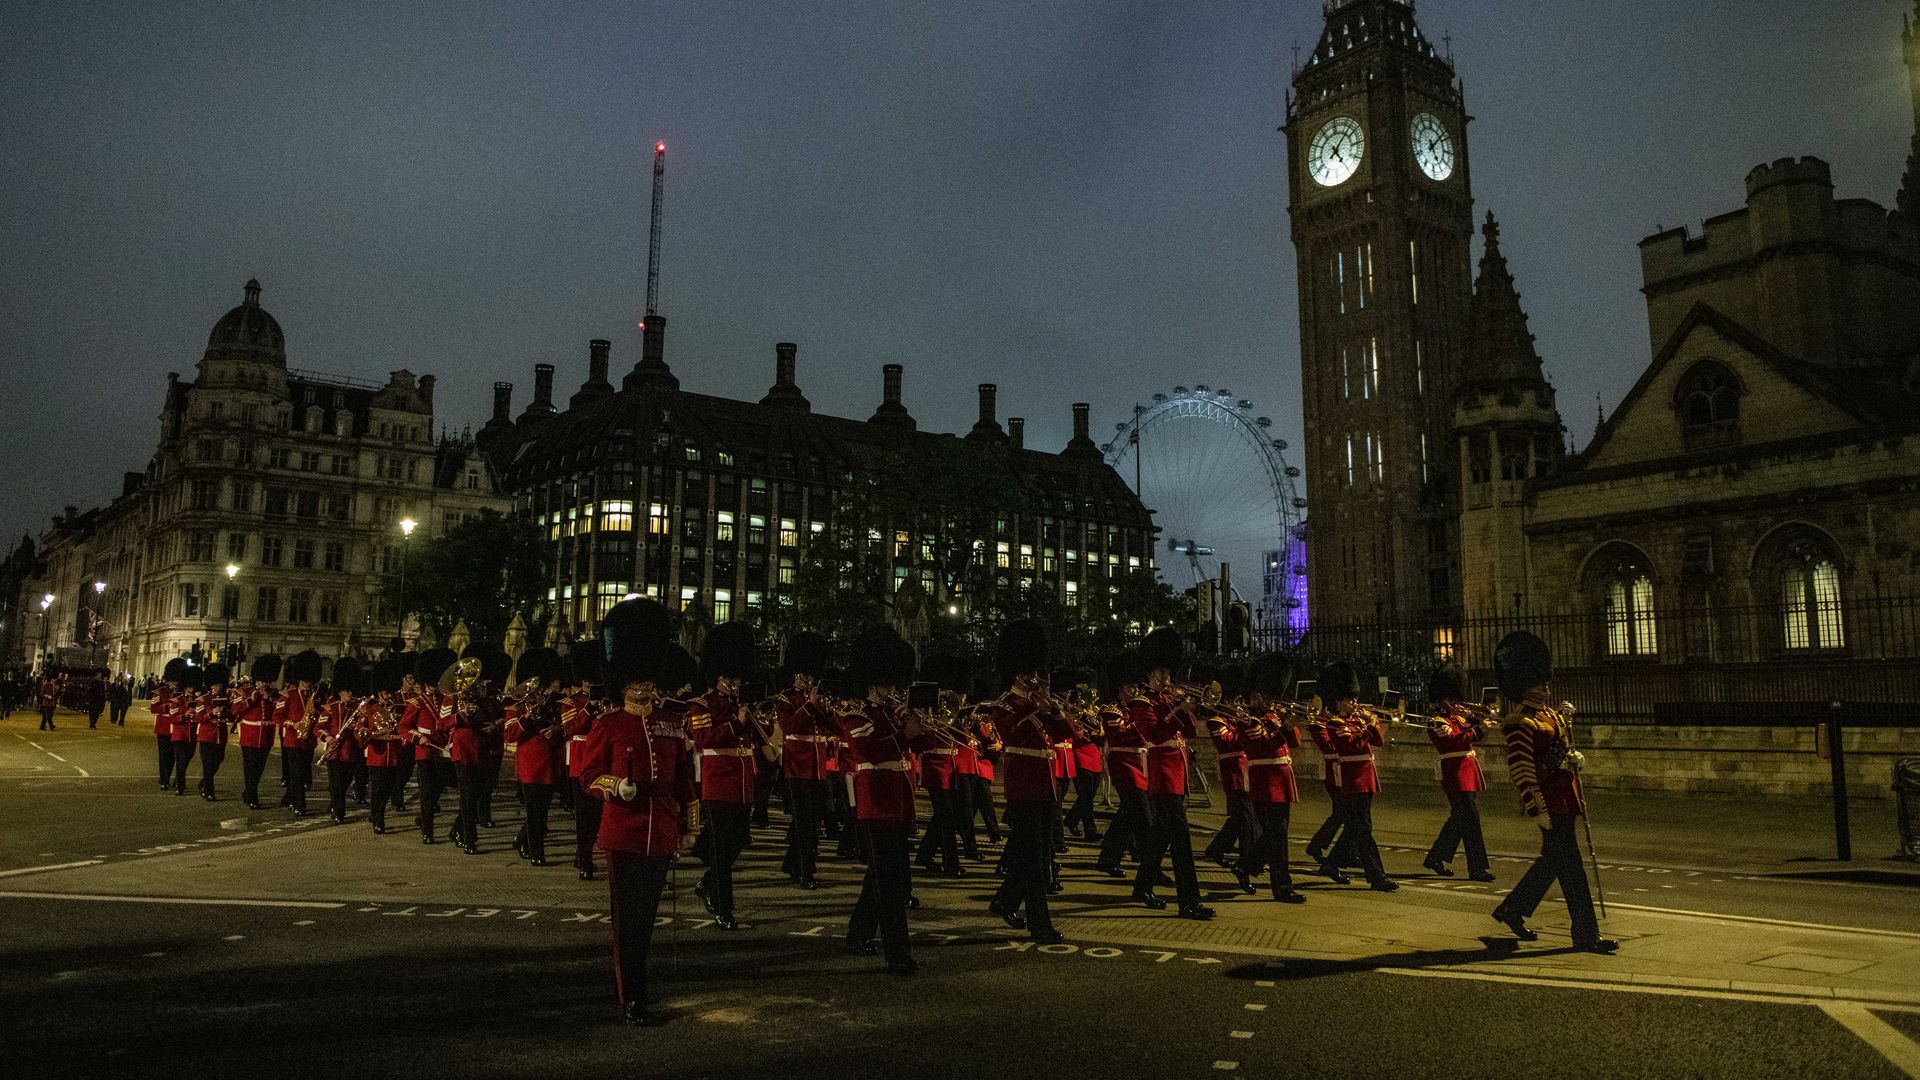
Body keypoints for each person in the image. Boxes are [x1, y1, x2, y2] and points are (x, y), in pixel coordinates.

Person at [580, 599, 694, 1026]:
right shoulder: (608, 725)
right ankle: (631, 996)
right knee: (626, 922)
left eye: (647, 678)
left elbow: (685, 782)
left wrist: (691, 827)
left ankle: (636, 984)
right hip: (624, 833)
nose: (643, 687)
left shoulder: (670, 723)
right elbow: (588, 775)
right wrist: (615, 786)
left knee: (645, 920)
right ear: (623, 682)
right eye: (636, 680)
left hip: (661, 834)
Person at [1490, 632, 1618, 954]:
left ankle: (1512, 909)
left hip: (1565, 799)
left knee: (1552, 863)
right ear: (1526, 683)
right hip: (1550, 803)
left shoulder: (1551, 715)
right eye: (1539, 681)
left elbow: (1562, 750)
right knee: (1572, 869)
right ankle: (1586, 935)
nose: (1546, 686)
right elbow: (1521, 768)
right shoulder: (1520, 722)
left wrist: (1574, 760)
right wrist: (1537, 807)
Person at [837, 624, 921, 975]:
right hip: (875, 804)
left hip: (898, 802)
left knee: (882, 876)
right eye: (887, 684)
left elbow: (920, 746)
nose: (893, 690)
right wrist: (903, 731)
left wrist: (916, 726)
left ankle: (858, 933)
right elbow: (867, 747)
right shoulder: (856, 716)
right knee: (890, 884)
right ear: (872, 683)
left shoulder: (890, 715)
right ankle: (897, 953)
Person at [986, 619, 1075, 945]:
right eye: (1027, 672)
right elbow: (1011, 732)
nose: (1033, 677)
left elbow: (1070, 734)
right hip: (1023, 788)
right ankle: (1041, 926)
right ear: (1015, 672)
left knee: (1034, 857)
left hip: (1046, 787)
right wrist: (1037, 709)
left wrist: (1053, 712)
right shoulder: (1005, 704)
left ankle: (1004, 901)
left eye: (1035, 672)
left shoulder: (1040, 702)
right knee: (1036, 864)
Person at [1129, 629, 1214, 919]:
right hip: (1163, 774)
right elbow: (1154, 733)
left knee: (1160, 838)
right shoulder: (1142, 703)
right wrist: (1177, 709)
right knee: (1181, 842)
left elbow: (1189, 731)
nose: (1166, 678)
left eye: (1168, 672)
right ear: (1150, 674)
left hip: (1178, 774)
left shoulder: (1168, 700)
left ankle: (1142, 886)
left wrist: (1184, 708)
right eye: (1161, 673)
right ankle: (1189, 901)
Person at [690, 622, 758, 930]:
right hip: (718, 782)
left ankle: (708, 883)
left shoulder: (739, 704)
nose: (735, 682)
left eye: (737, 677)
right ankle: (723, 907)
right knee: (720, 847)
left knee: (736, 843)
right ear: (717, 676)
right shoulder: (701, 704)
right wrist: (736, 724)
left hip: (743, 783)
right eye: (730, 677)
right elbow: (704, 740)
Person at [1315, 662, 1396, 892]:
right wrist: (1368, 728)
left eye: (1353, 699)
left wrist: (1373, 724)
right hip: (1352, 779)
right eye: (1349, 700)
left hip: (1366, 779)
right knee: (1363, 829)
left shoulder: (1357, 721)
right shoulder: (1335, 723)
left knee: (1354, 828)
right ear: (1338, 701)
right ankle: (1377, 876)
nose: (1354, 703)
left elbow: (1377, 742)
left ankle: (1331, 864)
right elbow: (1350, 746)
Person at [1238, 653, 1306, 903]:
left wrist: (1289, 726)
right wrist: (1280, 728)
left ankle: (1246, 867)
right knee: (1276, 835)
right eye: (1262, 695)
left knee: (1278, 834)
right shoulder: (1247, 720)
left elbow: (1295, 743)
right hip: (1265, 781)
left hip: (1283, 781)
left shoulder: (1273, 716)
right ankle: (1282, 887)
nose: (1266, 700)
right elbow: (1263, 745)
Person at [1421, 666, 1497, 882]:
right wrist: (1478, 728)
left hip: (1469, 774)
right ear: (1441, 700)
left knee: (1459, 820)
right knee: (1470, 822)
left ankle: (1436, 857)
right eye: (1451, 700)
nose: (1456, 703)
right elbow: (1453, 742)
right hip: (1456, 775)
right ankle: (1477, 868)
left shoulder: (1458, 718)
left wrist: (1473, 719)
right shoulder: (1438, 722)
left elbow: (1472, 733)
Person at [776, 634, 833, 890]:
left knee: (814, 822)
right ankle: (805, 871)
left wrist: (827, 711)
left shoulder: (818, 700)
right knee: (804, 825)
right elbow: (789, 726)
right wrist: (810, 706)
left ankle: (791, 863)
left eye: (811, 676)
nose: (809, 681)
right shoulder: (786, 699)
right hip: (796, 768)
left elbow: (834, 728)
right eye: (805, 676)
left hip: (818, 768)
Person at [505, 648, 565, 866]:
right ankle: (536, 852)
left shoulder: (557, 704)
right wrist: (528, 717)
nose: (557, 684)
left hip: (550, 763)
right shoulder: (520, 704)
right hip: (530, 763)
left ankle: (524, 840)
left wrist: (557, 729)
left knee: (542, 812)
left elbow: (566, 727)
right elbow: (510, 733)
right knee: (534, 811)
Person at [563, 644, 604, 879]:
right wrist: (589, 708)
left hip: (601, 765)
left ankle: (584, 854)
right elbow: (570, 728)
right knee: (583, 817)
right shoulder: (572, 702)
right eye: (588, 682)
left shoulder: (607, 700)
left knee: (597, 816)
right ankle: (584, 860)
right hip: (580, 764)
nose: (591, 686)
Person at [411, 649, 457, 844]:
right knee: (427, 793)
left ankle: (424, 819)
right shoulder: (417, 702)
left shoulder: (447, 699)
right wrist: (417, 737)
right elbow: (405, 726)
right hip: (424, 751)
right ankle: (427, 832)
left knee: (438, 790)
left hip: (443, 750)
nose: (432, 687)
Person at [319, 657, 366, 825]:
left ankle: (335, 805)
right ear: (340, 691)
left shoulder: (358, 709)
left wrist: (358, 727)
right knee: (336, 785)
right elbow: (319, 728)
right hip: (335, 753)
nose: (350, 694)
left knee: (344, 784)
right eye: (347, 691)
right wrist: (328, 737)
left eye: (351, 691)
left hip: (351, 752)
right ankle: (339, 813)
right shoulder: (331, 708)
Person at [278, 651, 322, 816]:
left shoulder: (315, 697)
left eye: (309, 681)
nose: (307, 684)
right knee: (296, 773)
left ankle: (288, 797)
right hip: (292, 740)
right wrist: (293, 724)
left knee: (303, 773)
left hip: (309, 740)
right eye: (304, 681)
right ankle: (299, 805)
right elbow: (278, 717)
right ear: (299, 680)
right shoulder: (288, 695)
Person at [236, 657, 280, 809]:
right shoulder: (246, 692)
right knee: (249, 767)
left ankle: (249, 791)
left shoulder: (275, 694)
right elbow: (235, 710)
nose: (263, 684)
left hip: (266, 735)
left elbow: (280, 711)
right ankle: (252, 797)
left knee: (259, 767)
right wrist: (250, 701)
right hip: (250, 734)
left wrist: (270, 699)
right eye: (261, 681)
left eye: (266, 681)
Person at [195, 664, 232, 800]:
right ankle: (209, 791)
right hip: (206, 735)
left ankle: (204, 783)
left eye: (220, 684)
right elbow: (198, 718)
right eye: (216, 684)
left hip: (220, 735)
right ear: (211, 685)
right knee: (208, 763)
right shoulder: (203, 699)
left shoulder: (226, 699)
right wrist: (211, 714)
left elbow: (232, 716)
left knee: (218, 760)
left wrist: (225, 711)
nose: (219, 687)